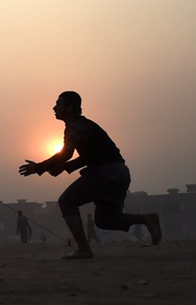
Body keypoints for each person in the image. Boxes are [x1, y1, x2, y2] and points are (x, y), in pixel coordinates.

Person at [19, 91, 162, 259]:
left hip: (106, 173)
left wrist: (38, 168)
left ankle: (83, 248)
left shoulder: (75, 126)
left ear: (69, 107)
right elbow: (89, 156)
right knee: (105, 220)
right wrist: (64, 167)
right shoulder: (86, 125)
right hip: (119, 173)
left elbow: (67, 153)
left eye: (58, 103)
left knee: (67, 201)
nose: (54, 107)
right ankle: (147, 219)